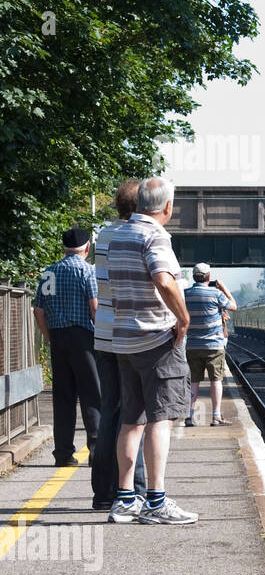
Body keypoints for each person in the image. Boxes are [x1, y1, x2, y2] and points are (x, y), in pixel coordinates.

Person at [107, 177, 197, 525]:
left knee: (131, 420)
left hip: (125, 340)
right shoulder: (154, 235)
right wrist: (183, 318)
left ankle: (125, 499)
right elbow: (163, 278)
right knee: (161, 420)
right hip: (156, 340)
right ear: (167, 207)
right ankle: (156, 502)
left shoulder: (118, 236)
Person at [91, 180, 148, 509]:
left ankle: (103, 492)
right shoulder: (138, 235)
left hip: (104, 334)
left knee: (110, 411)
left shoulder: (104, 236)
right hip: (130, 335)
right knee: (134, 415)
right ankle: (135, 490)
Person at [32, 227, 101, 467]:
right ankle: (96, 451)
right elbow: (94, 308)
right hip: (84, 339)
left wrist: (50, 337)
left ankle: (63, 454)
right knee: (92, 395)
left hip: (58, 338)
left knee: (63, 398)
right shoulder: (88, 271)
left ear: (64, 248)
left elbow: (38, 311)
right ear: (87, 247)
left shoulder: (48, 272)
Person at [183, 263, 238, 426]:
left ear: (194, 276)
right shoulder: (216, 294)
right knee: (216, 380)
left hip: (192, 345)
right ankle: (215, 416)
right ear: (208, 277)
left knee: (193, 381)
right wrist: (224, 288)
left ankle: (189, 416)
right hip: (214, 346)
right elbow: (234, 306)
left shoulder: (185, 294)